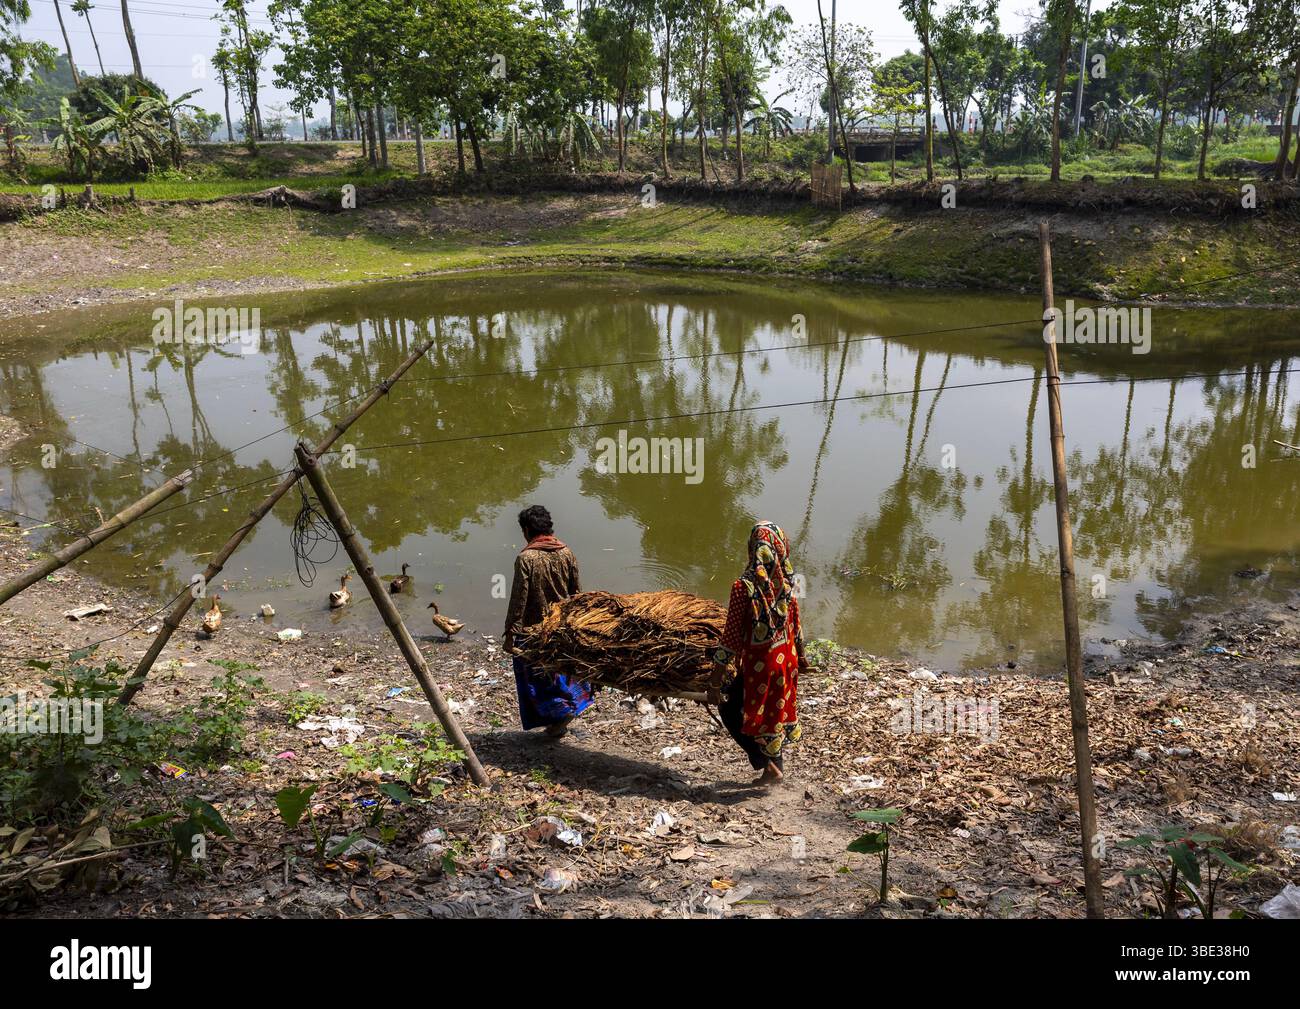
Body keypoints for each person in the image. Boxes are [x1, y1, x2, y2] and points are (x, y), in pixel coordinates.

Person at [711, 520, 807, 786]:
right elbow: (796, 622)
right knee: (775, 713)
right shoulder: (791, 580)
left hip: (760, 666)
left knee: (731, 708)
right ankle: (773, 770)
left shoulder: (743, 587)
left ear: (754, 548)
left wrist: (715, 679)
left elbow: (730, 638)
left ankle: (767, 764)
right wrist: (802, 656)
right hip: (786, 660)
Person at [503, 505, 592, 738]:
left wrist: (510, 633)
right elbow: (577, 594)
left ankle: (558, 717)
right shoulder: (567, 553)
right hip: (561, 626)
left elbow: (518, 600)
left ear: (526, 530)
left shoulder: (526, 559)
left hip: (535, 630)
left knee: (536, 678)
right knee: (561, 671)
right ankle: (566, 711)